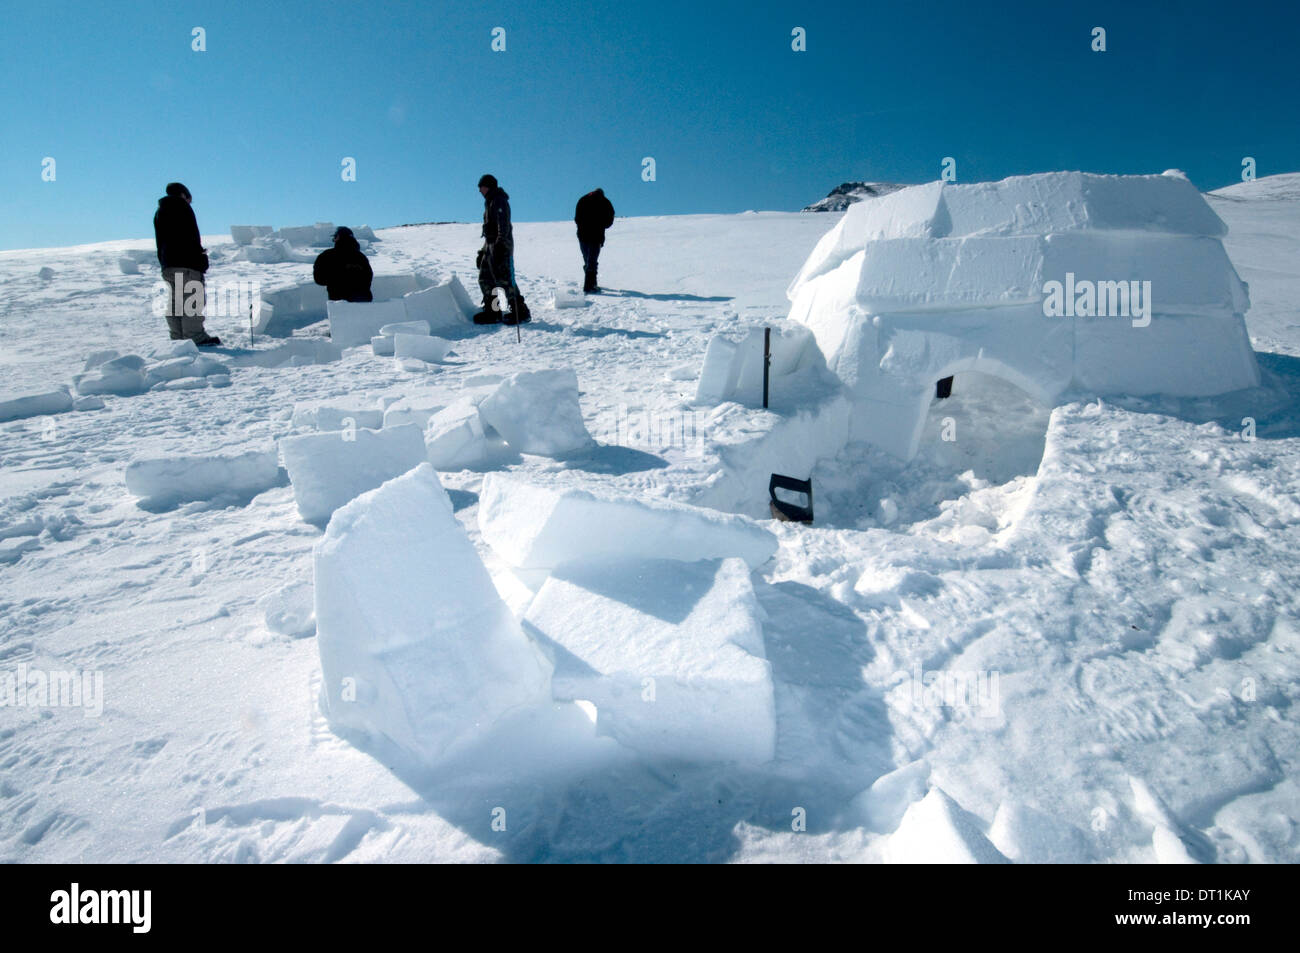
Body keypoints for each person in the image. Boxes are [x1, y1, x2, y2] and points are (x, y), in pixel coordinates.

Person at [153, 182, 220, 346]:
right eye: (189, 199)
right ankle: (195, 337)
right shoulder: (182, 207)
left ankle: (178, 339)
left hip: (168, 264)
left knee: (176, 302)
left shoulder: (160, 211)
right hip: (186, 264)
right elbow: (189, 238)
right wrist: (200, 257)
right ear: (184, 194)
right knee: (192, 299)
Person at [473, 174, 530, 325]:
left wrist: (500, 244)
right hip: (490, 246)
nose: (479, 190)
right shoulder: (490, 201)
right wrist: (483, 251)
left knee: (504, 279)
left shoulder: (499, 200)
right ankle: (493, 311)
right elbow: (489, 230)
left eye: (481, 186)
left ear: (488, 186)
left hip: (500, 247)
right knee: (486, 278)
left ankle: (521, 312)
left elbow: (502, 224)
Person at [313, 227, 374, 302]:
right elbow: (368, 276)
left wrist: (335, 280)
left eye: (335, 237)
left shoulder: (327, 255)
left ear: (338, 237)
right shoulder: (361, 257)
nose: (333, 240)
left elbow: (319, 279)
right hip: (363, 302)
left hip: (340, 303)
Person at [574, 187, 615, 293]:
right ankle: (589, 286)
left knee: (588, 259)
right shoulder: (605, 202)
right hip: (596, 236)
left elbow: (577, 218)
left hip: (582, 235)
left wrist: (582, 225)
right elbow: (609, 220)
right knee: (592, 260)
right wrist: (600, 225)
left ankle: (592, 283)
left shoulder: (583, 199)